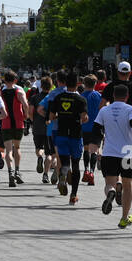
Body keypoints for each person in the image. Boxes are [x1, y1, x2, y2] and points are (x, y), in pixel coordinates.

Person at [95, 83, 132, 228]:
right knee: (127, 185)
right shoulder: (131, 109)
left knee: (109, 183)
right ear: (127, 96)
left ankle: (112, 192)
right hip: (128, 152)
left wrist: (95, 146)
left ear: (113, 96)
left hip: (109, 153)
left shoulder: (104, 110)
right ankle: (124, 217)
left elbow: (96, 128)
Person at [47, 71, 88, 205]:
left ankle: (63, 173)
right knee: (75, 164)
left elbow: (51, 117)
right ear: (77, 84)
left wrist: (61, 116)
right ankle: (73, 195)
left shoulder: (58, 97)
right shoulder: (81, 99)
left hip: (61, 134)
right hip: (75, 135)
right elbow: (84, 118)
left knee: (65, 162)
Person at [0, 70, 30, 186]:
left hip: (6, 123)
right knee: (17, 147)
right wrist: (26, 115)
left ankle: (10, 171)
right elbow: (25, 104)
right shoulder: (19, 91)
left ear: (4, 80)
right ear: (15, 80)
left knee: (8, 150)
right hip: (18, 123)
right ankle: (17, 170)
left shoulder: (1, 92)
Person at [80, 74, 103, 185]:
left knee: (86, 149)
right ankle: (92, 173)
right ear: (95, 84)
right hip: (97, 126)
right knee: (94, 150)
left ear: (84, 84)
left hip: (84, 127)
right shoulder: (98, 96)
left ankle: (86, 169)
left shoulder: (81, 96)